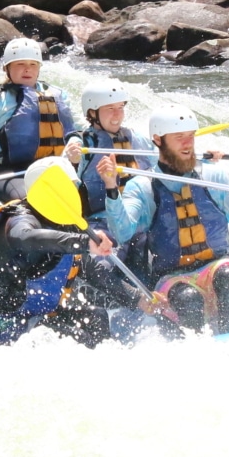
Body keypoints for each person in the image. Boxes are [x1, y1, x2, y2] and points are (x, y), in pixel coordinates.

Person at [99, 108, 229, 335]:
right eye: (179, 138)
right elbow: (122, 231)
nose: (187, 144)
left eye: (191, 136)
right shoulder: (144, 186)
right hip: (173, 279)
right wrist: (111, 188)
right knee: (189, 299)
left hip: (216, 268)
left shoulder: (213, 178)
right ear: (157, 140)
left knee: (227, 276)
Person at [0, 156, 144, 347]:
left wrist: (137, 298)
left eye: (72, 189)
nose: (71, 195)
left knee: (96, 317)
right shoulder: (19, 219)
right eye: (65, 189)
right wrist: (84, 242)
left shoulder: (64, 225)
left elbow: (92, 271)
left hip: (34, 317)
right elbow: (25, 237)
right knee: (77, 338)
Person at [65, 79, 155, 303]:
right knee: (99, 267)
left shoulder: (137, 139)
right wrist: (72, 159)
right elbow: (66, 165)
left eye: (120, 108)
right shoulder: (83, 142)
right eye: (109, 109)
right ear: (92, 113)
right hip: (102, 223)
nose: (117, 115)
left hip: (139, 220)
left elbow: (167, 160)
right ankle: (126, 301)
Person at [0, 38, 79, 202]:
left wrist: (74, 143)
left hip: (52, 167)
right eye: (20, 64)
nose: (27, 69)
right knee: (30, 199)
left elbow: (80, 130)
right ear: (7, 68)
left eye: (33, 64)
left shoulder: (59, 95)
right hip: (9, 172)